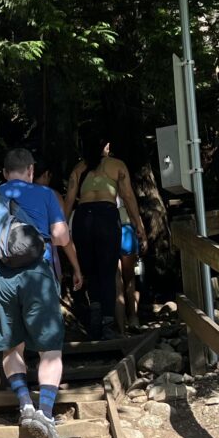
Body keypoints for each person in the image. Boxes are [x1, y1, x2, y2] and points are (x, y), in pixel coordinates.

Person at [0, 147, 82, 438]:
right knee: (50, 348)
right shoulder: (47, 195)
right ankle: (46, 413)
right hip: (38, 275)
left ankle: (25, 405)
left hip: (0, 278)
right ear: (30, 170)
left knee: (12, 346)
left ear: (4, 173)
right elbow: (62, 237)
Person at [63, 132, 145, 340]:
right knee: (108, 271)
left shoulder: (78, 169)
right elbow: (127, 196)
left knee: (91, 272)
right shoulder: (117, 165)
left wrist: (61, 226)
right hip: (106, 217)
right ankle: (108, 324)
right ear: (105, 146)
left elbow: (69, 201)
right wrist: (138, 223)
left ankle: (95, 323)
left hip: (83, 218)